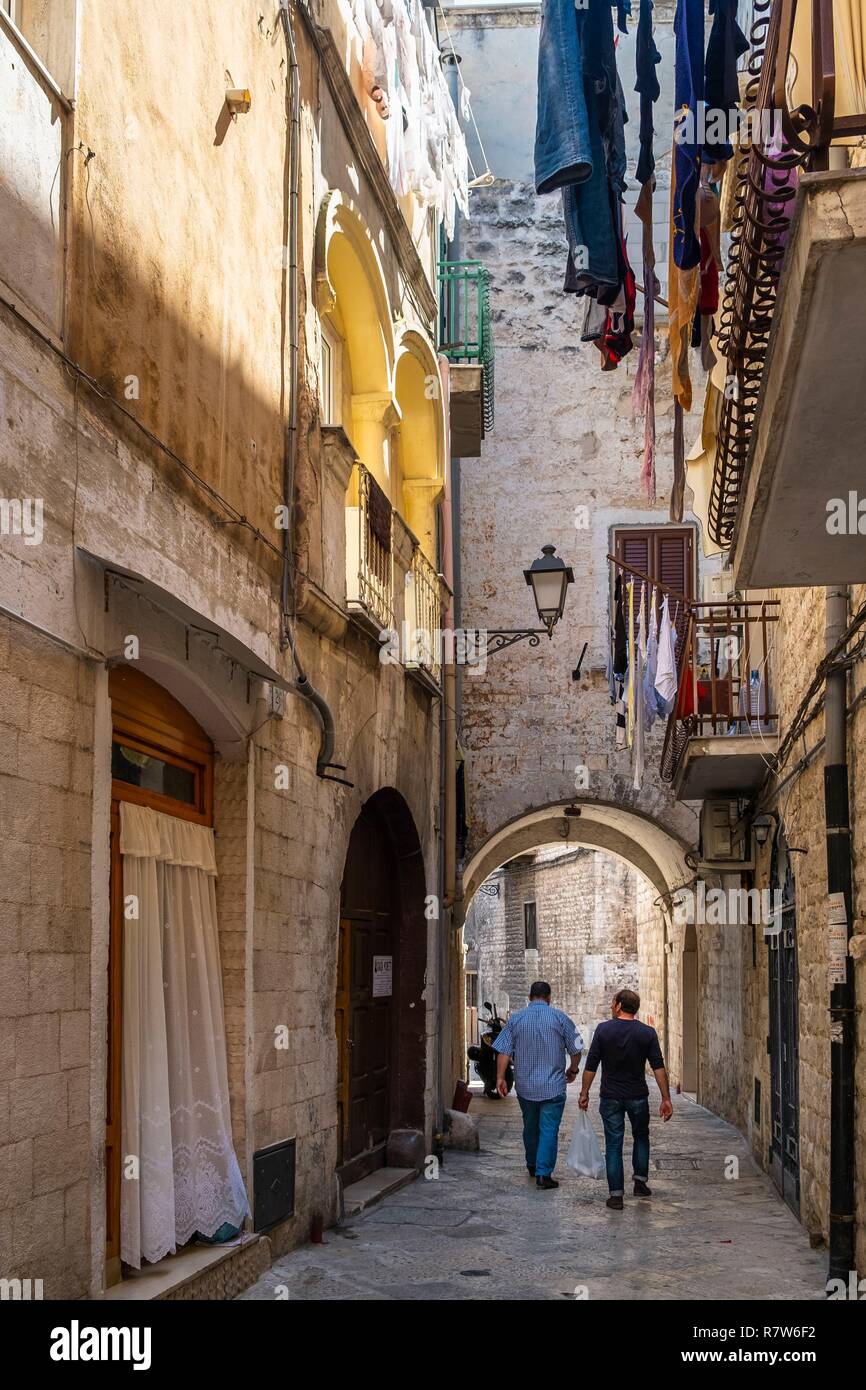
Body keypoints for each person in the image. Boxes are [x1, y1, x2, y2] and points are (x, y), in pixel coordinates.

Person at [578, 987, 672, 1210]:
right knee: (641, 1136)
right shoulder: (647, 1033)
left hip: (611, 1096)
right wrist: (665, 1098)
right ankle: (640, 1183)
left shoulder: (603, 1031)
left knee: (613, 1143)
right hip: (638, 1095)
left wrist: (584, 1093)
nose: (611, 1006)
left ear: (619, 1005)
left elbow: (591, 1066)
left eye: (613, 1002)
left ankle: (616, 1195)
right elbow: (658, 1067)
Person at [492, 981, 584, 1190]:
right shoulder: (560, 1018)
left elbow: (504, 1051)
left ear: (530, 997)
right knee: (549, 1129)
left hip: (526, 1087)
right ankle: (544, 1174)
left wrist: (500, 1078)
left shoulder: (516, 1019)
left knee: (530, 1126)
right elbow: (577, 1048)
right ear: (549, 997)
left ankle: (532, 1165)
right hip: (553, 1086)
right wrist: (573, 1069)